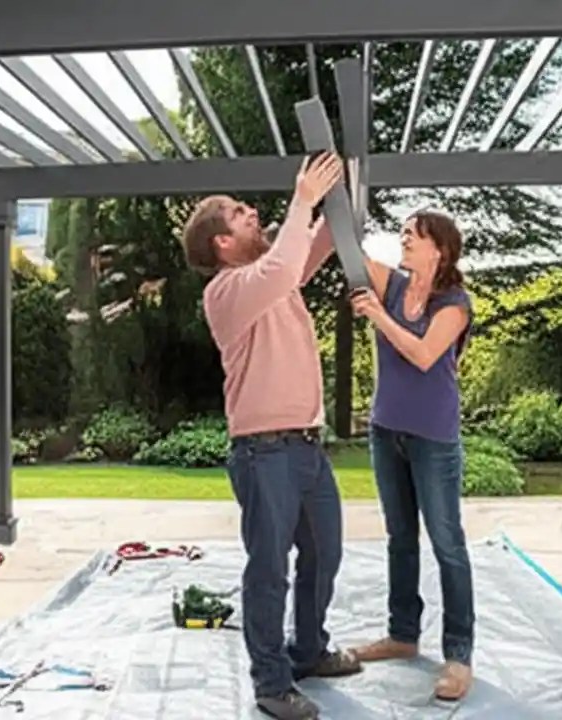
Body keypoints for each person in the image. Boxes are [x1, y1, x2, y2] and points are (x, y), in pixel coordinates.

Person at [181, 152, 362, 720]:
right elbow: (285, 263)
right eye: (238, 213)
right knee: (268, 567)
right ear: (221, 245)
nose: (251, 213)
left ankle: (307, 651)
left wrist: (347, 182)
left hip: (307, 448)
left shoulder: (273, 276)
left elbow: (323, 239)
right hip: (264, 453)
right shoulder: (230, 291)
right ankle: (270, 683)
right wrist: (301, 195)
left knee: (324, 555)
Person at [347, 209, 476, 702]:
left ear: (438, 249)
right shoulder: (394, 285)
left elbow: (423, 356)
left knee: (447, 543)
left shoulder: (454, 304)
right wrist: (328, 202)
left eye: (414, 235)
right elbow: (348, 253)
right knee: (400, 537)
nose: (404, 238)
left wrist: (378, 315)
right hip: (387, 433)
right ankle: (402, 636)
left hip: (433, 439)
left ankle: (458, 656)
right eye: (403, 232)